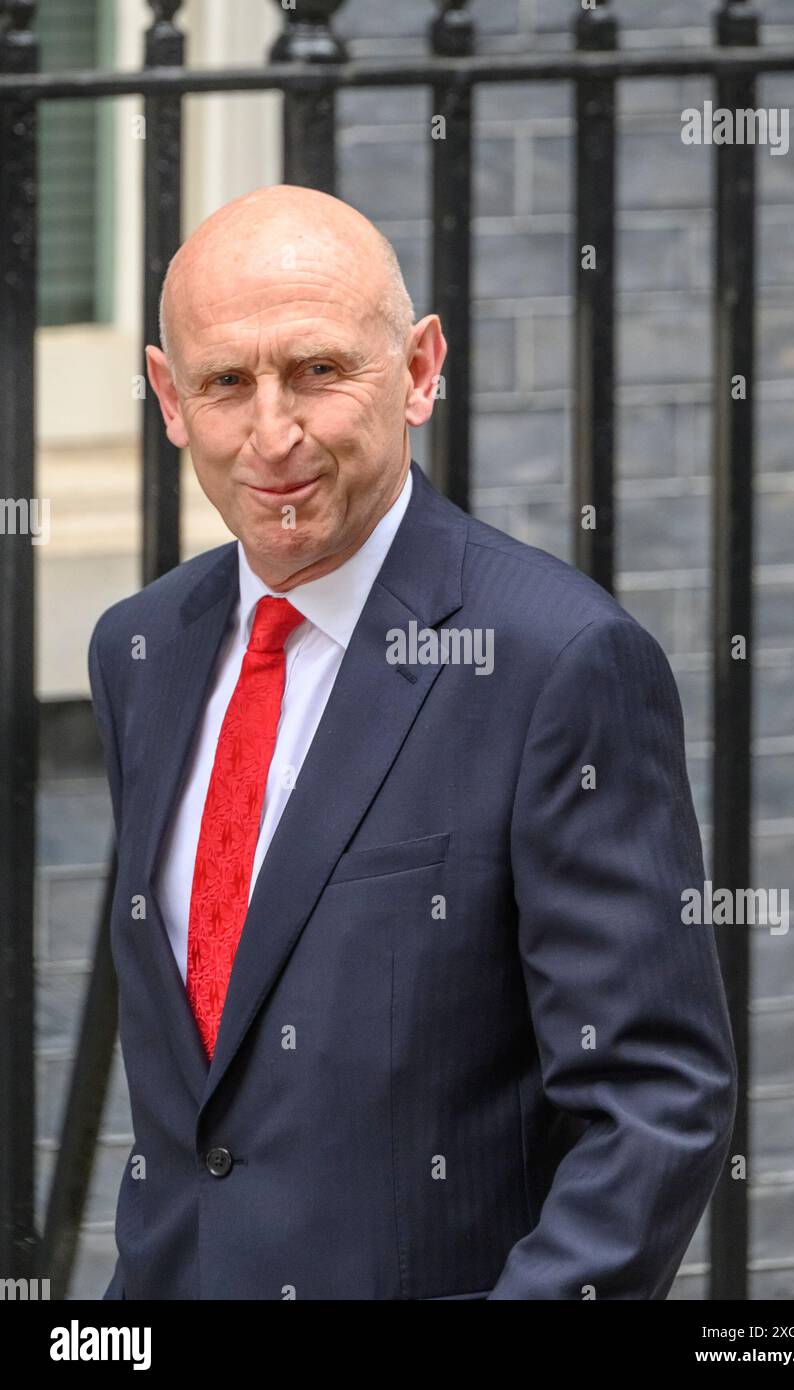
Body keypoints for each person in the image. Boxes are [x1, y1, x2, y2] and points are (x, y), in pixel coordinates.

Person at [88, 183, 737, 1301]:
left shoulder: (557, 662)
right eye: (227, 382)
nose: (273, 432)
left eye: (319, 371)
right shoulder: (140, 649)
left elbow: (655, 1102)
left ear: (422, 369)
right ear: (169, 396)